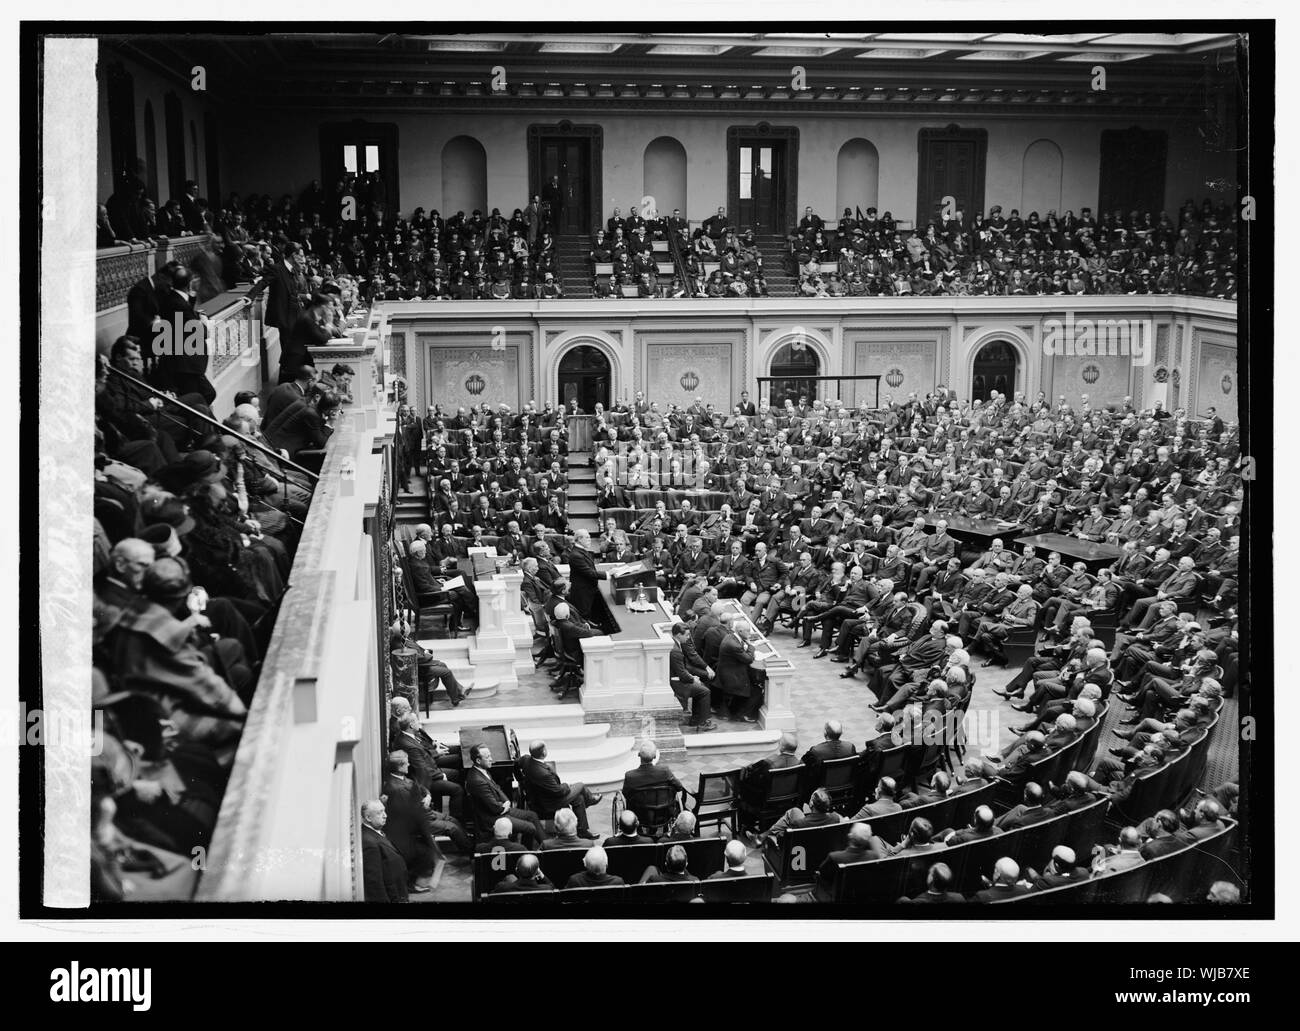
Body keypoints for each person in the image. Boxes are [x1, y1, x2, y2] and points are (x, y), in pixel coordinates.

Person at [464, 744, 546, 849]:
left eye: (490, 755)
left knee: (532, 815)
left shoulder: (483, 771)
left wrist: (506, 802)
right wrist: (504, 806)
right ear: (478, 761)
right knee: (530, 828)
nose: (491, 759)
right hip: (492, 818)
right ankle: (524, 852)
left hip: (501, 811)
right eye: (487, 757)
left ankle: (547, 846)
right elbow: (496, 808)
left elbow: (498, 789)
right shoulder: (477, 780)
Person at [518, 740, 602, 839]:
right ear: (544, 752)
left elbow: (515, 764)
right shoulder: (543, 774)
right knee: (580, 785)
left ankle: (582, 830)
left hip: (542, 796)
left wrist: (520, 779)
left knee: (579, 799)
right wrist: (566, 785)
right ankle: (590, 800)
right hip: (549, 804)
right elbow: (558, 792)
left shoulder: (525, 759)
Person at [669, 622, 715, 731]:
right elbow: (682, 674)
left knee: (701, 686)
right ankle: (702, 722)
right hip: (677, 683)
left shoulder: (675, 644)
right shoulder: (676, 651)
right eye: (687, 635)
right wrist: (693, 678)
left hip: (677, 678)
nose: (688, 637)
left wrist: (692, 676)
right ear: (679, 635)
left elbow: (682, 670)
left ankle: (696, 720)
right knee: (705, 691)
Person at [360, 800, 408, 903]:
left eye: (384, 811)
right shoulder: (369, 843)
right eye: (380, 813)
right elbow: (374, 883)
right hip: (392, 896)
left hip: (397, 891)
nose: (385, 815)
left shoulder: (376, 830)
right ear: (368, 818)